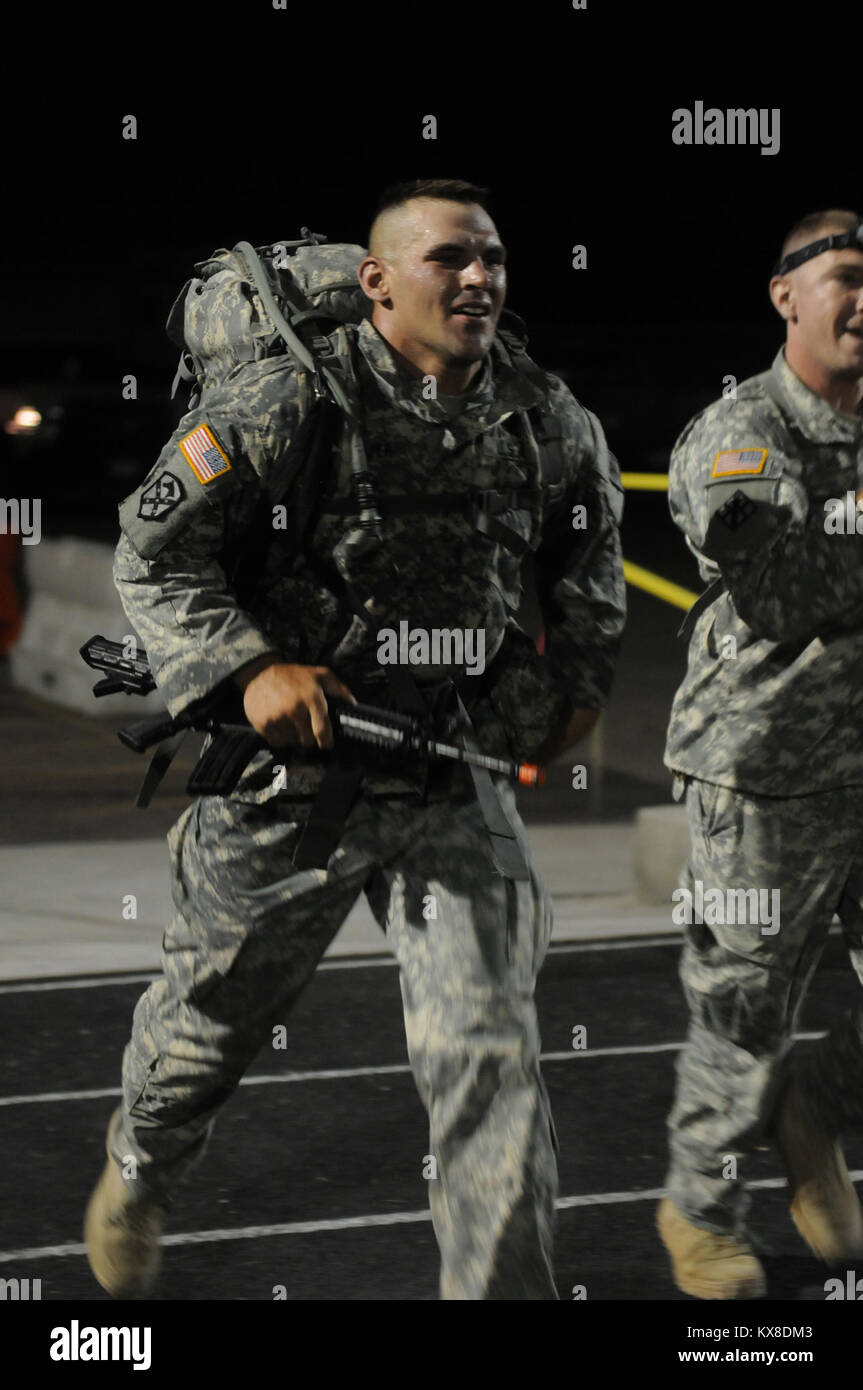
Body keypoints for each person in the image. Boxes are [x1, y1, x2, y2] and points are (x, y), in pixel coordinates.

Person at [83, 178, 627, 1301]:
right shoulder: (290, 403)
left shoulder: (545, 412)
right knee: (203, 1037)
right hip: (295, 785)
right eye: (446, 259)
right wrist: (249, 667)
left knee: (488, 1061)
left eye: (491, 259)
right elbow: (151, 556)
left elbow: (585, 558)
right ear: (378, 280)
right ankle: (139, 1166)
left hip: (448, 781)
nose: (476, 278)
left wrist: (572, 681)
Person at [658, 208, 863, 1299]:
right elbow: (778, 595)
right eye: (845, 276)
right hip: (761, 773)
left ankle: (817, 1114)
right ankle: (699, 1213)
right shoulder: (738, 433)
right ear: (785, 295)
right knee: (742, 1010)